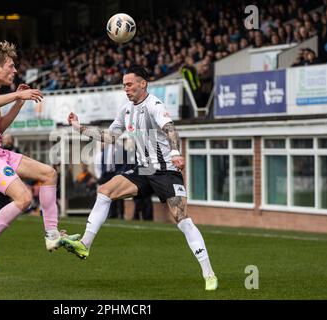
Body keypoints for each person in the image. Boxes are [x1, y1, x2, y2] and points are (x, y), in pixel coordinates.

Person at [64, 65, 218, 290]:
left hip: (166, 170)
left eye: (129, 84)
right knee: (105, 190)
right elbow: (110, 136)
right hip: (144, 170)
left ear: (142, 83)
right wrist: (79, 128)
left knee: (182, 219)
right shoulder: (126, 109)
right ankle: (85, 244)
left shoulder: (155, 104)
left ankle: (209, 273)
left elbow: (171, 129)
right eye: (124, 85)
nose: (126, 89)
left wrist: (175, 153)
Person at [0, 41, 78, 269]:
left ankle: (53, 234)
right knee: (24, 198)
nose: (14, 70)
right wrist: (16, 95)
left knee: (48, 174)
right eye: (11, 66)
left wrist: (17, 101)